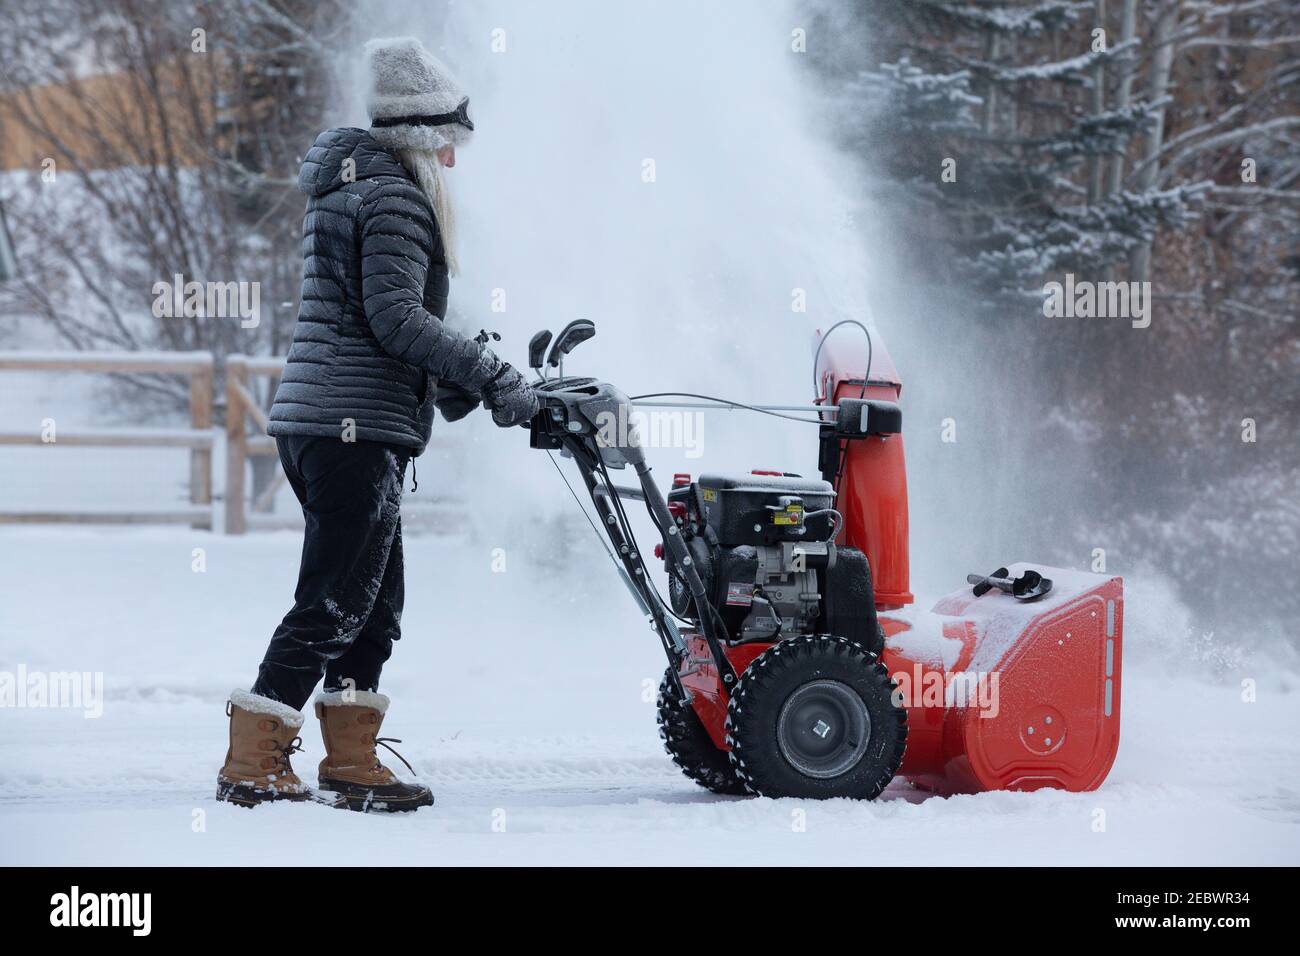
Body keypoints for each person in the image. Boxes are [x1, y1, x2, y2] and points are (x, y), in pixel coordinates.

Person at [216, 37, 537, 812]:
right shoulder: (394, 196)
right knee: (336, 598)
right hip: (349, 425)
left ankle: (350, 759)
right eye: (449, 146)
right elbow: (396, 320)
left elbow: (378, 320)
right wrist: (489, 375)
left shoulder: (349, 188)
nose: (455, 164)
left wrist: (464, 380)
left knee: (371, 602)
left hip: (330, 420)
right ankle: (252, 758)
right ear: (422, 139)